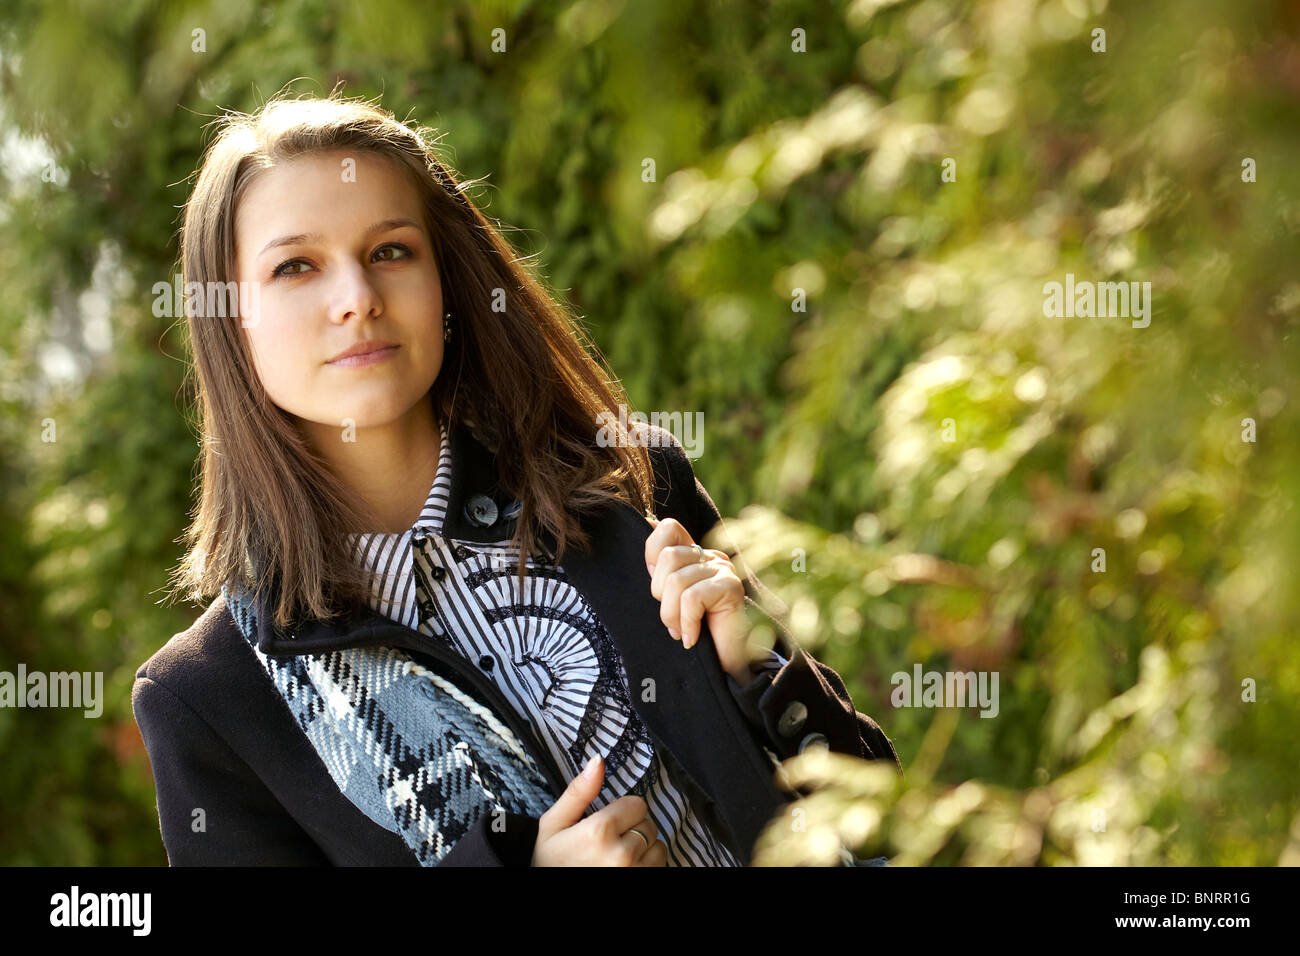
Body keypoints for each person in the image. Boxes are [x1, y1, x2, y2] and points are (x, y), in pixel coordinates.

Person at [132, 90, 901, 867]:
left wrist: (760, 673)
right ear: (230, 320)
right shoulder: (210, 701)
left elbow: (885, 811)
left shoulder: (631, 485)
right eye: (296, 267)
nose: (357, 300)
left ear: (446, 284)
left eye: (391, 251)